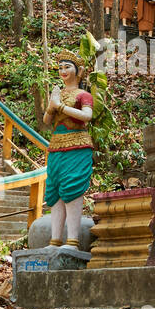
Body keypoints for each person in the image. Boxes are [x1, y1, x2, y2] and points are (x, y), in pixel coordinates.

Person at [43, 49, 95, 247]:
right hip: (56, 146)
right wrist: (51, 106)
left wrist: (61, 107)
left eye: (67, 67)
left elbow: (87, 116)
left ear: (78, 70)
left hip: (77, 144)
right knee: (54, 191)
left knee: (72, 189)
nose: (63, 71)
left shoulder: (83, 95)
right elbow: (47, 120)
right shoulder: (57, 93)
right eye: (60, 68)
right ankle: (55, 239)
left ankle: (72, 238)